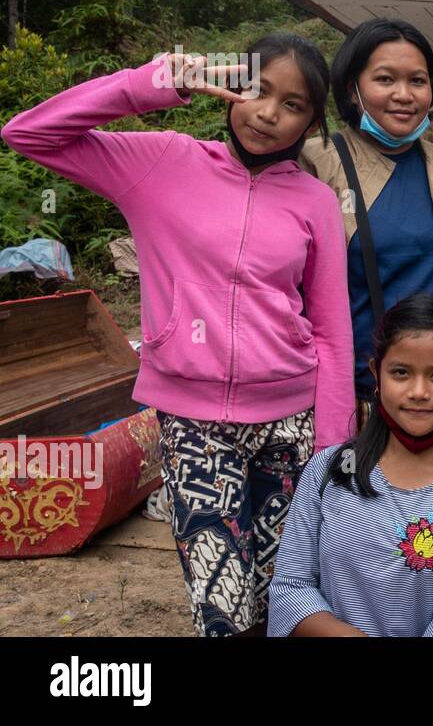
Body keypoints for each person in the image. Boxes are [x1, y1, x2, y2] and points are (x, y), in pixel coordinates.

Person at [2, 38, 354, 636]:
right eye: (255, 89)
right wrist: (158, 82)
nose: (268, 113)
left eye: (292, 104)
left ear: (312, 120)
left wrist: (333, 447)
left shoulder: (317, 201)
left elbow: (332, 329)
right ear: (226, 86)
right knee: (224, 607)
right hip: (194, 426)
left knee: (282, 599)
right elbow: (28, 134)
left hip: (290, 425)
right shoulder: (161, 163)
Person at [268, 294, 433, 637]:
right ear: (376, 373)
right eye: (400, 372)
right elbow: (291, 586)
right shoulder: (329, 470)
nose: (418, 391)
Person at [300, 18, 433, 425]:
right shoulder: (315, 161)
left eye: (418, 81)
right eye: (385, 79)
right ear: (352, 89)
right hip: (344, 397)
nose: (404, 95)